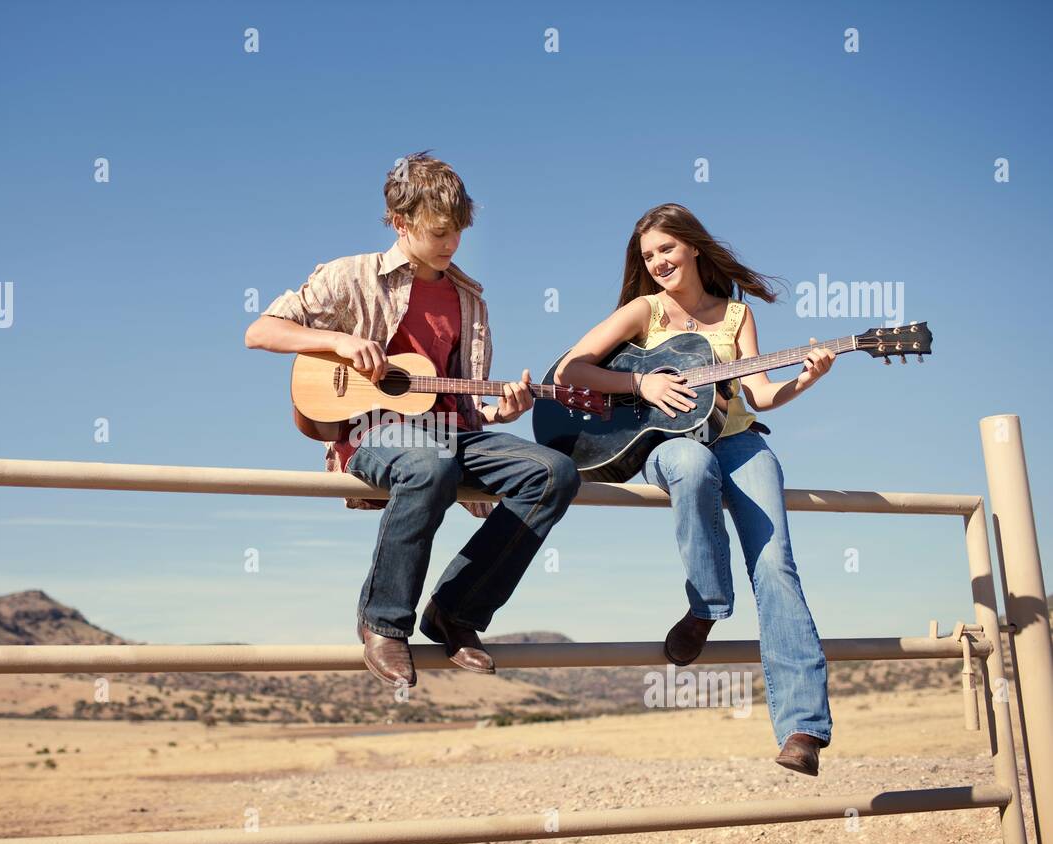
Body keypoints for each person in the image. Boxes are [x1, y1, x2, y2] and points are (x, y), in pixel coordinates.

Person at [245, 151, 580, 691]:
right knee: (429, 464)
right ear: (401, 223)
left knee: (554, 473)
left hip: (449, 434)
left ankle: (457, 612)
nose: (450, 244)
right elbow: (260, 331)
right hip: (373, 433)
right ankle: (383, 622)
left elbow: (456, 402)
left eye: (458, 232)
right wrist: (339, 340)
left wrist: (504, 411)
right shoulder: (348, 275)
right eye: (438, 232)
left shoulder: (469, 299)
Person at [552, 202, 836, 776]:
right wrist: (641, 382)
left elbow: (759, 395)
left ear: (694, 247)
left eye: (666, 249)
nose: (657, 262)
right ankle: (706, 607)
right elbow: (570, 370)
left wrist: (805, 378)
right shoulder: (644, 311)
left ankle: (803, 728)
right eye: (647, 254)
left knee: (776, 563)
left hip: (738, 441)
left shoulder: (735, 317)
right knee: (690, 464)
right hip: (670, 447)